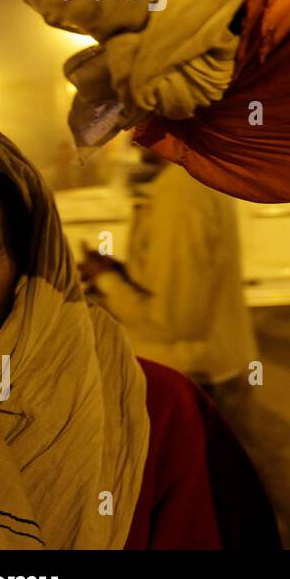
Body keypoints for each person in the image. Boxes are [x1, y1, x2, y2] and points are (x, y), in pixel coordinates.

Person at [0, 108, 278, 549]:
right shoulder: (172, 193)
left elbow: (173, 314)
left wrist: (107, 280)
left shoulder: (151, 415)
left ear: (30, 260)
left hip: (201, 366)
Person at [78, 151, 259, 415]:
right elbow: (178, 282)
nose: (133, 138)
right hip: (209, 372)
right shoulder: (196, 179)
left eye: (138, 121)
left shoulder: (181, 195)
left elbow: (169, 322)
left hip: (193, 378)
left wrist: (106, 279)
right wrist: (119, 271)